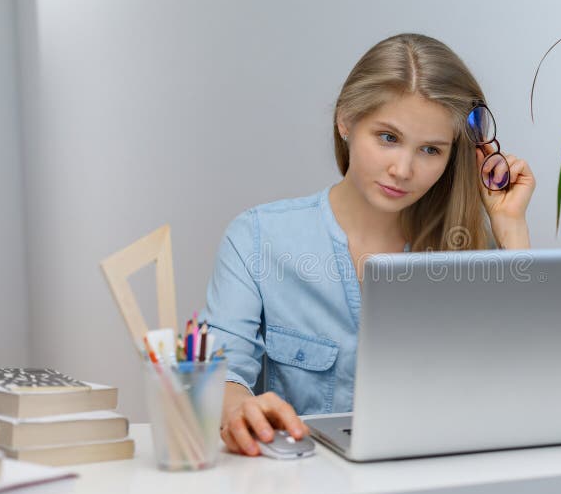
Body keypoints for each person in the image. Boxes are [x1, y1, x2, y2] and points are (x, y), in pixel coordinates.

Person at [206, 33, 536, 457]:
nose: (403, 169)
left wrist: (511, 228)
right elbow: (222, 371)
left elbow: (527, 384)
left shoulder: (473, 249)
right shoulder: (256, 240)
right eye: (387, 137)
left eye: (431, 150)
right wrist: (235, 406)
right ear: (346, 120)